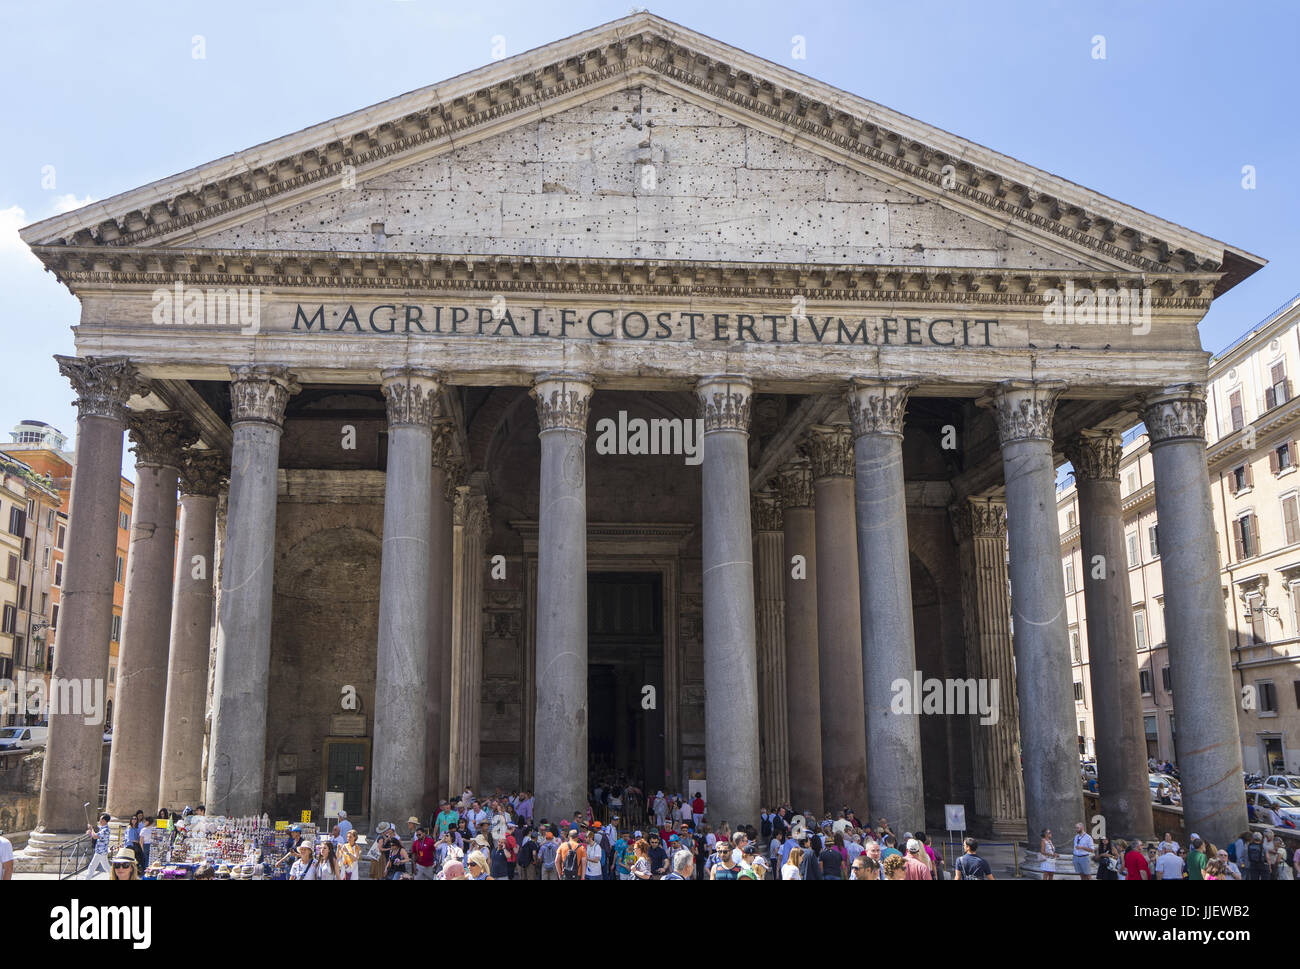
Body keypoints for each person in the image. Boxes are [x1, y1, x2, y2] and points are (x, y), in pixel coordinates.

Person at [85, 812, 113, 880]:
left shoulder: (105, 829)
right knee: (106, 867)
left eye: (100, 819)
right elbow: (95, 835)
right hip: (101, 851)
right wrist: (90, 832)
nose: (99, 821)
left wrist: (92, 829)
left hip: (100, 851)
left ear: (104, 821)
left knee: (92, 866)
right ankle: (114, 877)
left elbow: (95, 836)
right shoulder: (103, 828)